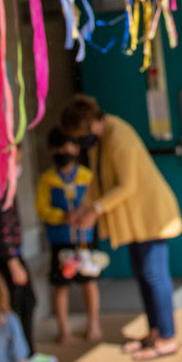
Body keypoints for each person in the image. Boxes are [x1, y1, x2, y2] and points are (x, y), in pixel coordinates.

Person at [61, 93, 182, 362]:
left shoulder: (119, 136)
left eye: (80, 134)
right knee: (143, 273)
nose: (80, 140)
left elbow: (127, 185)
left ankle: (167, 336)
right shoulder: (100, 141)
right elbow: (98, 182)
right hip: (135, 221)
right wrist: (82, 208)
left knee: (154, 275)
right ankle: (154, 331)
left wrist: (95, 210)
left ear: (90, 124)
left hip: (150, 215)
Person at [35, 129, 104, 344]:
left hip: (85, 238)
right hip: (60, 239)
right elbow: (42, 208)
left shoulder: (87, 176)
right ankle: (64, 330)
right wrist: (61, 216)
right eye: (60, 148)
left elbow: (98, 201)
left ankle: (94, 324)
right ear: (52, 150)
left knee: (89, 281)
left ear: (76, 148)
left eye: (69, 147)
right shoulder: (47, 179)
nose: (65, 151)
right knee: (61, 284)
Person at [0, 133, 36, 351]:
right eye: (14, 161)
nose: (17, 167)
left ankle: (27, 351)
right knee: (18, 305)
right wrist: (13, 262)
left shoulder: (2, 185)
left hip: (11, 254)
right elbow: (1, 227)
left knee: (26, 302)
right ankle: (21, 353)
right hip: (5, 257)